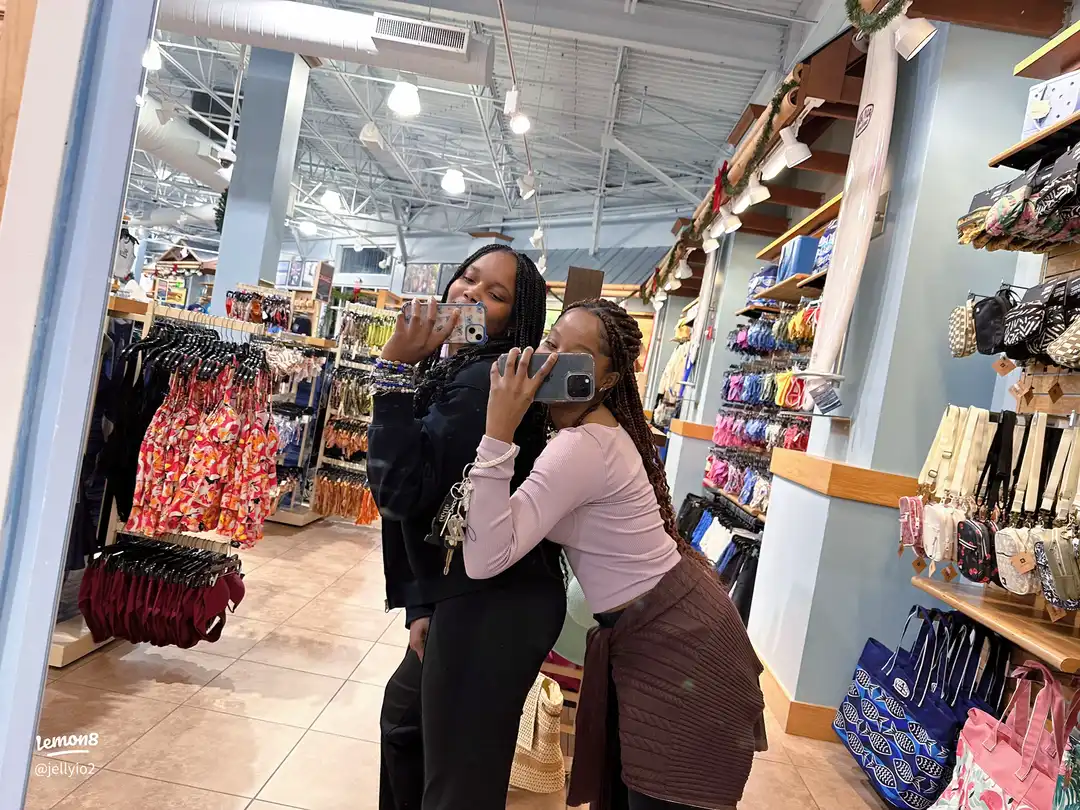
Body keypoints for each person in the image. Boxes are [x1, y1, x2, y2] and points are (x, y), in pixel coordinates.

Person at [462, 298, 767, 810]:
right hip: (671, 626)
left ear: (604, 379)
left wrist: (498, 431)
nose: (553, 359)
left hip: (678, 644)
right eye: (551, 344)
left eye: (573, 355)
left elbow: (483, 556)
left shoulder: (580, 446)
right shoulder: (587, 431)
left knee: (662, 794)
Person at [366, 245, 567, 810]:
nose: (472, 294)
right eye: (468, 279)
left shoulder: (482, 382)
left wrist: (392, 368)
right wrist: (421, 607)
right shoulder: (455, 369)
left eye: (495, 294)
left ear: (515, 320)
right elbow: (427, 506)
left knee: (459, 788)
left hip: (493, 603)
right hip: (466, 592)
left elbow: (399, 490)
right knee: (406, 723)